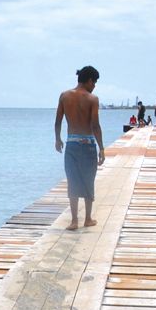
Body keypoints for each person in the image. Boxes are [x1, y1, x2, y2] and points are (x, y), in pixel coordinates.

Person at [54, 65, 105, 230]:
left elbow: (58, 121)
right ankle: (88, 219)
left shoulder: (64, 96)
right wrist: (101, 148)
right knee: (88, 180)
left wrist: (58, 139)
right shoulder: (92, 99)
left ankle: (74, 220)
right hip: (88, 145)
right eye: (94, 82)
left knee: (73, 181)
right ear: (89, 80)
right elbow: (95, 126)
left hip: (71, 144)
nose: (94, 86)